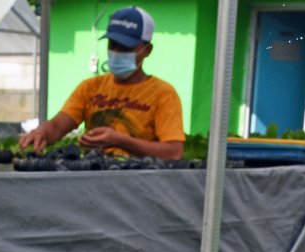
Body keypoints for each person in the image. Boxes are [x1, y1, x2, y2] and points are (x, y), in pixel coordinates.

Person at [19, 6, 185, 160]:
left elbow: (173, 152)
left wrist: (121, 141)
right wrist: (42, 133)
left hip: (139, 186)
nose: (116, 52)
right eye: (113, 45)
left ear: (147, 50)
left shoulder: (163, 94)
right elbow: (58, 125)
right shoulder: (90, 87)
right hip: (94, 179)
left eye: (126, 47)